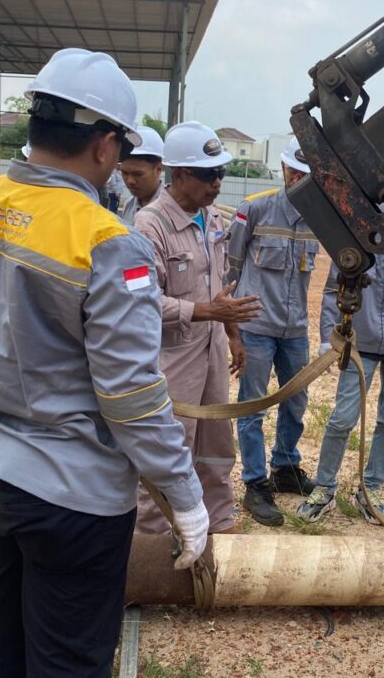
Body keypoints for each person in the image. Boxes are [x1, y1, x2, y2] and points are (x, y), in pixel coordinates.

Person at [0, 48, 208, 677]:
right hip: (69, 495)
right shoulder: (108, 241)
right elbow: (131, 395)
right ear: (106, 145)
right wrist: (184, 494)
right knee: (68, 660)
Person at [134, 121, 261, 535]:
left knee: (216, 440)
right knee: (171, 445)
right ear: (179, 174)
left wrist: (233, 336)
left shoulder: (214, 218)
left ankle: (217, 520)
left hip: (211, 351)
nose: (217, 182)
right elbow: (143, 300)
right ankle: (155, 536)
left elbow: (221, 284)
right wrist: (208, 311)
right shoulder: (149, 226)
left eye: (221, 172)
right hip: (172, 356)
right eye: (208, 175)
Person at [297, 159, 384, 524]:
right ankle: (324, 488)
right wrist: (327, 337)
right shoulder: (360, 228)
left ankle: (370, 490)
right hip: (359, 343)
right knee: (342, 418)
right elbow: (335, 286)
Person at [225, 137, 319, 526]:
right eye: (294, 171)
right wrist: (231, 329)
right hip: (256, 326)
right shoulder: (255, 208)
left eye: (306, 174)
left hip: (294, 329)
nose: (298, 179)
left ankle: (285, 467)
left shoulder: (320, 217)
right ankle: (255, 483)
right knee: (253, 405)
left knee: (296, 402)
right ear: (283, 170)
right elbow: (231, 268)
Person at [119, 125, 165, 223]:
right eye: (124, 173)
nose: (130, 181)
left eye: (138, 174)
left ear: (158, 169)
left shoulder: (171, 208)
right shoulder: (129, 205)